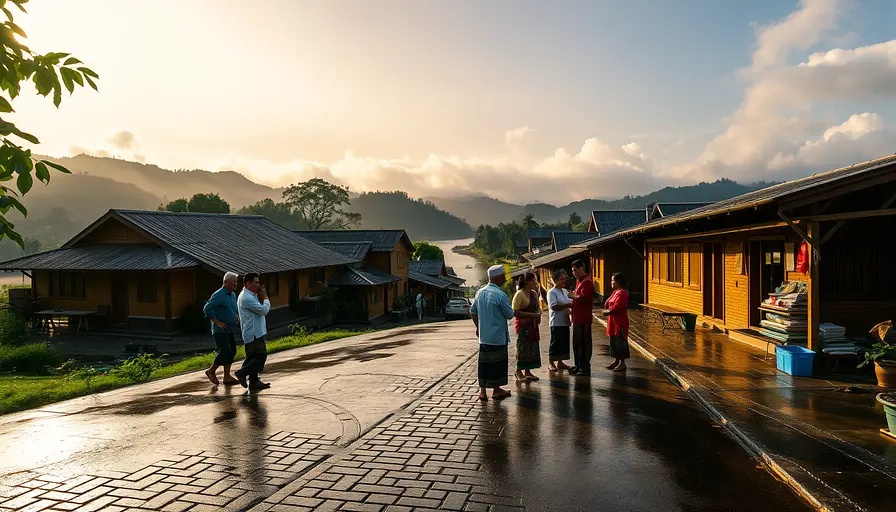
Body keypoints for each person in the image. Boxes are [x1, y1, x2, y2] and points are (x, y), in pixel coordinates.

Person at [471, 264, 515, 401]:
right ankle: (496, 390)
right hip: (498, 337)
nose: (505, 279)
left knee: (484, 363)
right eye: (503, 277)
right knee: (498, 363)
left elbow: (473, 311)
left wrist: (478, 327)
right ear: (498, 278)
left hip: (484, 337)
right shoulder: (500, 295)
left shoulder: (479, 293)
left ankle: (482, 391)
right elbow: (509, 315)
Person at [235, 272, 271, 390]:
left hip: (254, 331)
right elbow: (263, 310)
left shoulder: (250, 294)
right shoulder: (246, 297)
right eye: (256, 282)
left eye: (258, 282)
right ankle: (242, 372)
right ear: (247, 283)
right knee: (260, 356)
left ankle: (254, 382)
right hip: (254, 332)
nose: (258, 284)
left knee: (253, 356)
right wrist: (265, 298)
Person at [203, 272, 240, 386]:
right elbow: (207, 308)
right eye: (233, 281)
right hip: (220, 330)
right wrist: (217, 322)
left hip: (230, 328)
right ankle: (211, 371)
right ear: (225, 282)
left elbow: (231, 308)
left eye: (236, 281)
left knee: (232, 351)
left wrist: (236, 316)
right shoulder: (219, 295)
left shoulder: (232, 295)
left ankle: (227, 376)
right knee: (225, 351)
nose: (235, 284)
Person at [511, 272, 543, 382]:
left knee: (531, 347)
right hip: (522, 326)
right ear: (526, 282)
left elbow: (537, 307)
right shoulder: (519, 294)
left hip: (532, 326)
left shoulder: (534, 293)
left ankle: (528, 372)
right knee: (522, 348)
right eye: (533, 280)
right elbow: (515, 312)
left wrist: (538, 314)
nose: (535, 282)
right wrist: (531, 315)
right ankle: (518, 371)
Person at [569, 259, 595, 376]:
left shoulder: (587, 282)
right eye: (572, 270)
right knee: (577, 343)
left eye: (575, 270)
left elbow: (583, 298)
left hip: (584, 318)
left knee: (584, 343)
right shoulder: (578, 281)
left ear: (581, 269)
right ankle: (578, 365)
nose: (573, 272)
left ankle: (585, 367)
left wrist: (572, 296)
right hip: (576, 317)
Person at [602, 272, 631, 372]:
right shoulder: (615, 292)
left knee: (620, 342)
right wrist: (607, 308)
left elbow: (617, 307)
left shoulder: (623, 293)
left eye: (613, 281)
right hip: (612, 321)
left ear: (618, 282)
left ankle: (622, 363)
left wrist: (608, 310)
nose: (611, 283)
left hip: (619, 321)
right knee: (613, 341)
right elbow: (607, 303)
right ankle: (616, 360)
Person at [547, 269, 574, 372]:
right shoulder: (552, 292)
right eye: (561, 279)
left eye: (565, 279)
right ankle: (551, 362)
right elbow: (553, 307)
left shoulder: (564, 291)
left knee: (563, 342)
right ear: (555, 280)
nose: (564, 281)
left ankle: (560, 362)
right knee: (556, 342)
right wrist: (567, 305)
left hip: (565, 320)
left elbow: (571, 301)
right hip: (556, 322)